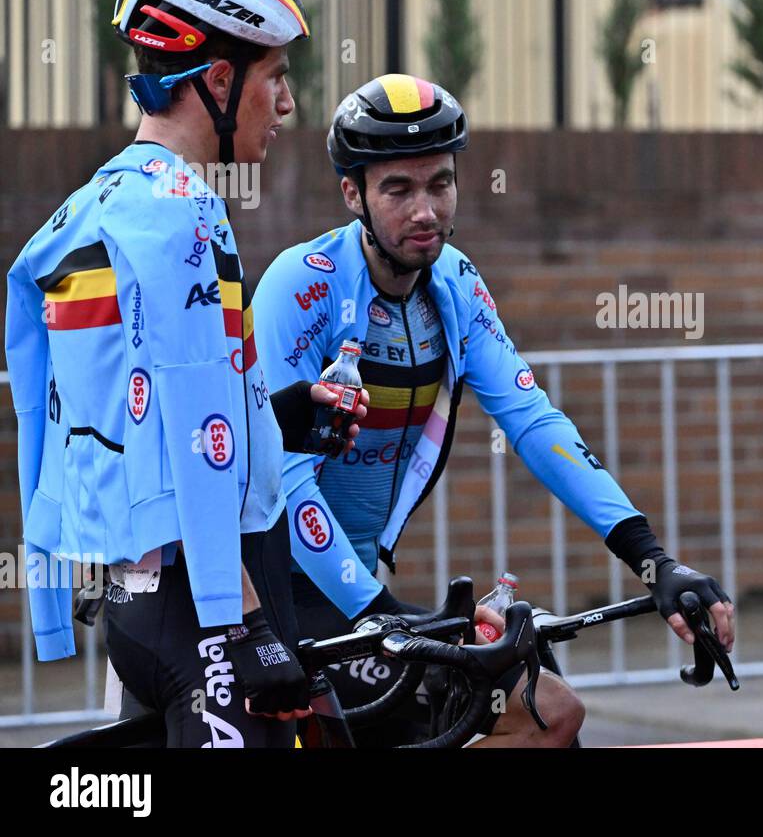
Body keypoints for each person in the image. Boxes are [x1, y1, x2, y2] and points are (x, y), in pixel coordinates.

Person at [251, 73, 735, 746]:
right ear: (351, 194)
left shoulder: (455, 284)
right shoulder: (301, 286)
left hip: (365, 595)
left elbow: (535, 424)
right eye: (398, 189)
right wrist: (384, 617)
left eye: (440, 184)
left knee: (544, 703)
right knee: (547, 712)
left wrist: (652, 560)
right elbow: (286, 475)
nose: (425, 210)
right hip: (288, 592)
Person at [6, 0, 368, 748]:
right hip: (208, 605)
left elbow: (59, 417)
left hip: (134, 605)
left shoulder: (83, 209)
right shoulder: (184, 217)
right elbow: (197, 436)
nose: (287, 105)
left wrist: (276, 421)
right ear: (216, 80)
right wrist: (238, 620)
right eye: (274, 77)